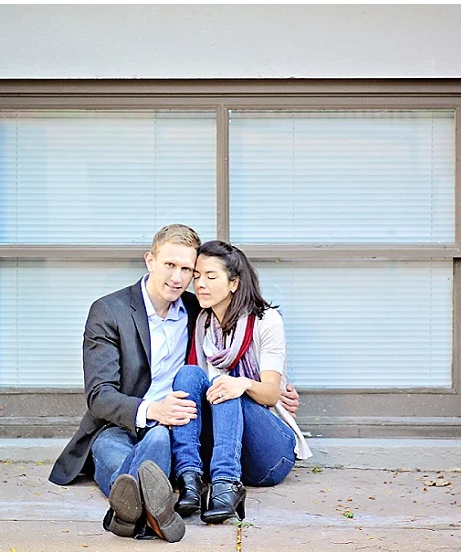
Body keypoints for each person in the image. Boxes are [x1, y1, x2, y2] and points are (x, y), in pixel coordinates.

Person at [49, 226, 303, 542]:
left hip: (175, 427)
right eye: (171, 265)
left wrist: (275, 391)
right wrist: (153, 409)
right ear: (150, 261)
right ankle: (147, 509)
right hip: (124, 422)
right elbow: (100, 396)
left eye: (187, 269)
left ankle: (133, 510)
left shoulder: (200, 309)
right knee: (110, 448)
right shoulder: (109, 311)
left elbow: (241, 348)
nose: (179, 277)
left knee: (158, 440)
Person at [168, 240, 312, 525]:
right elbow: (197, 391)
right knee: (188, 375)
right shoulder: (203, 324)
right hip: (224, 443)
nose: (200, 284)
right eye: (196, 277)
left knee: (226, 385)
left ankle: (226, 483)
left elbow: (271, 393)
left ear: (233, 283)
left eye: (211, 276)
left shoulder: (266, 321)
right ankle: (190, 479)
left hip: (269, 454)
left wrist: (243, 384)